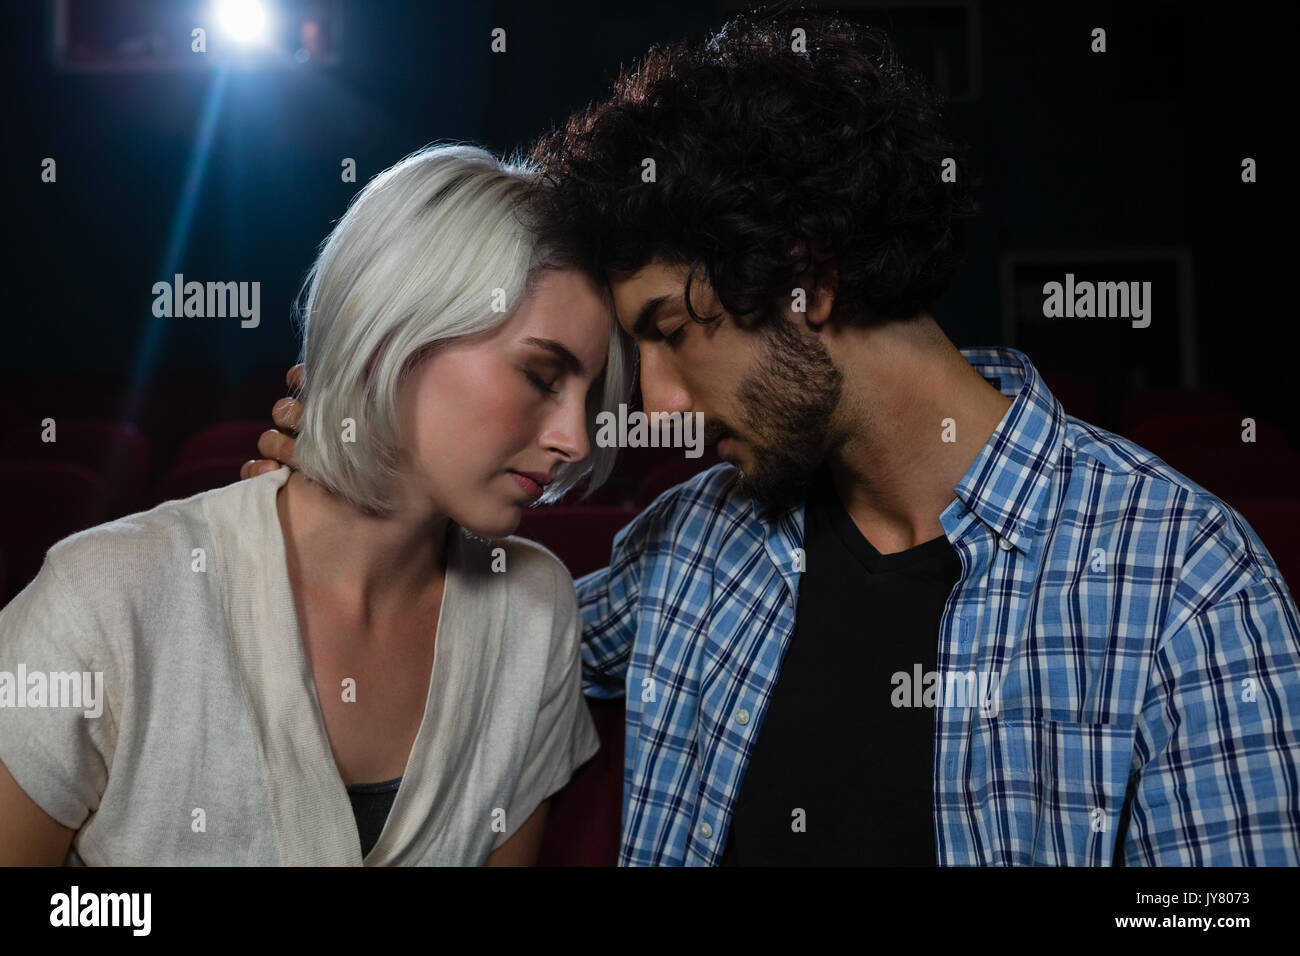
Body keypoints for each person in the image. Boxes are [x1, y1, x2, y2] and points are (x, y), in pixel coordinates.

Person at [245, 9, 1300, 866]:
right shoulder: (687, 549)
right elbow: (467, 642)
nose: (651, 401)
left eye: (667, 329)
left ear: (806, 275)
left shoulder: (1181, 582)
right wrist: (352, 497)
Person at [0, 143, 634, 865]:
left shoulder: (534, 606)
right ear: (394, 329)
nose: (577, 440)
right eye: (541, 374)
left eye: (591, 395)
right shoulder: (106, 598)